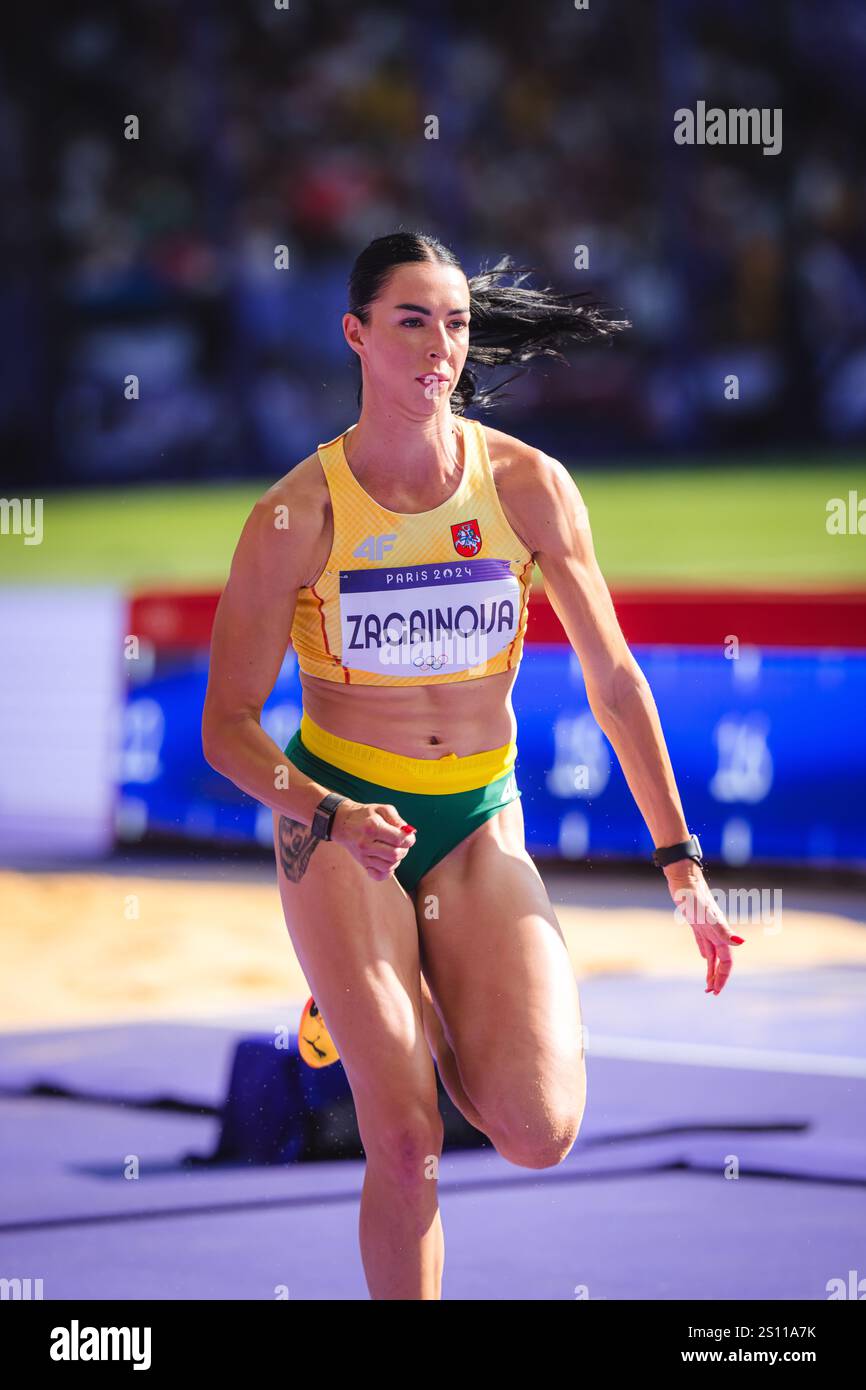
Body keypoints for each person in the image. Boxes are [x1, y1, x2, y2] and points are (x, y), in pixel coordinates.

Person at [201, 230, 741, 1300]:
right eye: (411, 320)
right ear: (354, 333)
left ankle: (372, 1006)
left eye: (454, 321)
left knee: (540, 1131)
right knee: (404, 1139)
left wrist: (680, 865)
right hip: (339, 833)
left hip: (477, 825)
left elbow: (615, 682)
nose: (440, 345)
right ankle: (366, 1013)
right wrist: (327, 810)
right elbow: (226, 729)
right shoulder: (294, 515)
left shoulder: (528, 487)